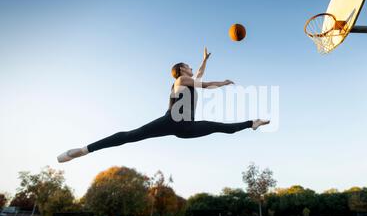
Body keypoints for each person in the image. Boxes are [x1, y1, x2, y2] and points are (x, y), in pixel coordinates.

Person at [57, 48, 270, 163]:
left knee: (224, 128)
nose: (191, 67)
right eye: (188, 66)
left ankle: (253, 123)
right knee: (130, 136)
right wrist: (222, 82)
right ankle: (84, 150)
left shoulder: (188, 81)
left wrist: (204, 60)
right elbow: (203, 83)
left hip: (187, 127)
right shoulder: (179, 81)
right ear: (180, 70)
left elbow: (200, 76)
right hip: (171, 122)